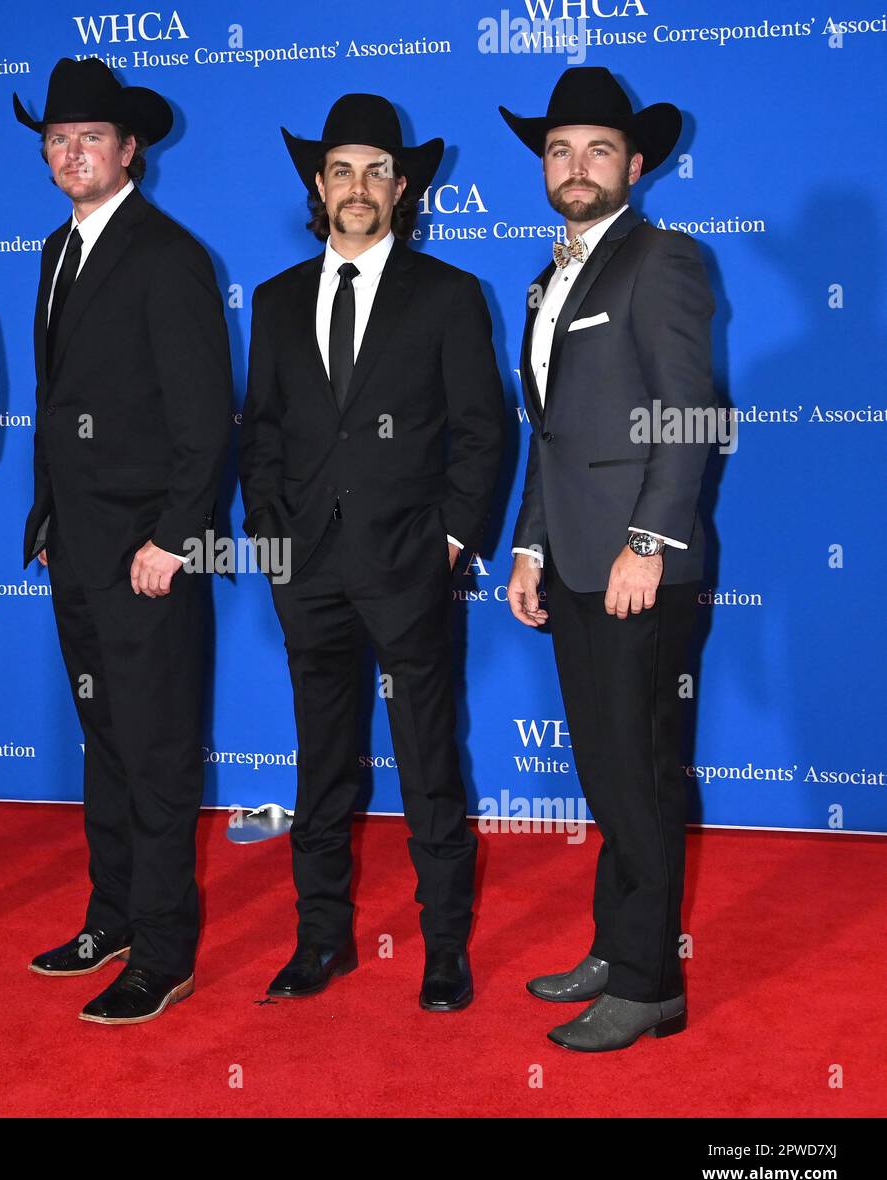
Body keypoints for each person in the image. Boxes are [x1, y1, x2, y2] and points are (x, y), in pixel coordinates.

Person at [239, 94, 504, 1011]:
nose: (359, 187)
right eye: (342, 170)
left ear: (403, 188)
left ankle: (442, 949)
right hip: (306, 569)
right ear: (319, 184)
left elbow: (482, 434)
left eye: (377, 172)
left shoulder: (449, 295)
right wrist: (273, 535)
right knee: (321, 762)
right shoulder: (273, 301)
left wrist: (450, 541)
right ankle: (321, 942)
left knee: (430, 760)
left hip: (410, 569)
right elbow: (262, 432)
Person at [500, 67, 716, 1051]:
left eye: (596, 149)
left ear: (634, 164)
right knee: (606, 768)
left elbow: (689, 415)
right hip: (575, 561)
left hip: (638, 566)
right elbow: (549, 436)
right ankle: (615, 941)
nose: (574, 165)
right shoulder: (549, 277)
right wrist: (529, 545)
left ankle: (648, 985)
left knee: (637, 772)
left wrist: (649, 542)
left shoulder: (659, 261)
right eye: (558, 149)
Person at [16, 59, 231, 1025]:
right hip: (79, 548)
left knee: (155, 752)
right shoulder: (57, 252)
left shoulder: (167, 253)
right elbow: (58, 408)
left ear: (129, 149)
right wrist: (50, 523)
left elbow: (205, 418)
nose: (71, 153)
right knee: (106, 743)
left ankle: (167, 953)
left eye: (89, 138)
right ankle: (113, 918)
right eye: (58, 140)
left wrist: (174, 538)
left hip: (149, 555)